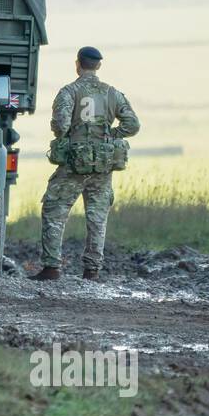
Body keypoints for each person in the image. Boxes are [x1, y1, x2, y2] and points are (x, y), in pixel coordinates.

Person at [33, 46, 139, 281]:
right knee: (97, 217)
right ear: (98, 65)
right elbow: (133, 125)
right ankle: (92, 270)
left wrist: (72, 135)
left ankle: (52, 267)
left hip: (73, 164)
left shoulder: (69, 92)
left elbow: (60, 126)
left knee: (55, 211)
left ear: (77, 64)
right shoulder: (112, 93)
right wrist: (110, 135)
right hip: (102, 165)